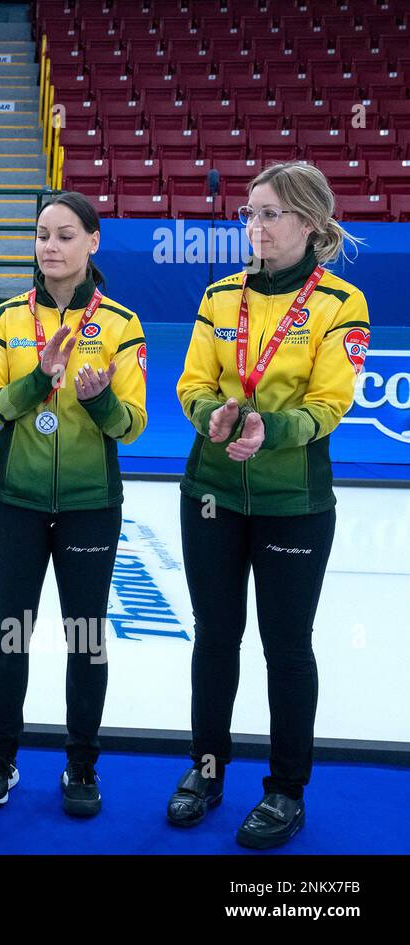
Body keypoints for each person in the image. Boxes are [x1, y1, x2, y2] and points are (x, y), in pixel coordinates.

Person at [168, 162, 370, 850]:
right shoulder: (222, 294)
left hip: (295, 501)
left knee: (287, 649)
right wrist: (210, 414)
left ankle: (286, 788)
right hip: (212, 495)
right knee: (214, 637)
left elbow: (330, 403)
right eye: (250, 214)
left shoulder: (341, 304)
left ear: (310, 223)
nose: (255, 227)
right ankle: (206, 768)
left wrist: (270, 427)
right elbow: (192, 381)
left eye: (270, 214)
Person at [0, 191, 148, 817]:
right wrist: (37, 379)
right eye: (43, 235)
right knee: (11, 634)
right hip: (15, 502)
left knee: (85, 636)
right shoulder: (6, 319)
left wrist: (99, 399)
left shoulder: (122, 324)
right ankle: (0, 760)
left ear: (93, 242)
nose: (50, 246)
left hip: (88, 507)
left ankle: (81, 765)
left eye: (65, 235)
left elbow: (133, 427)